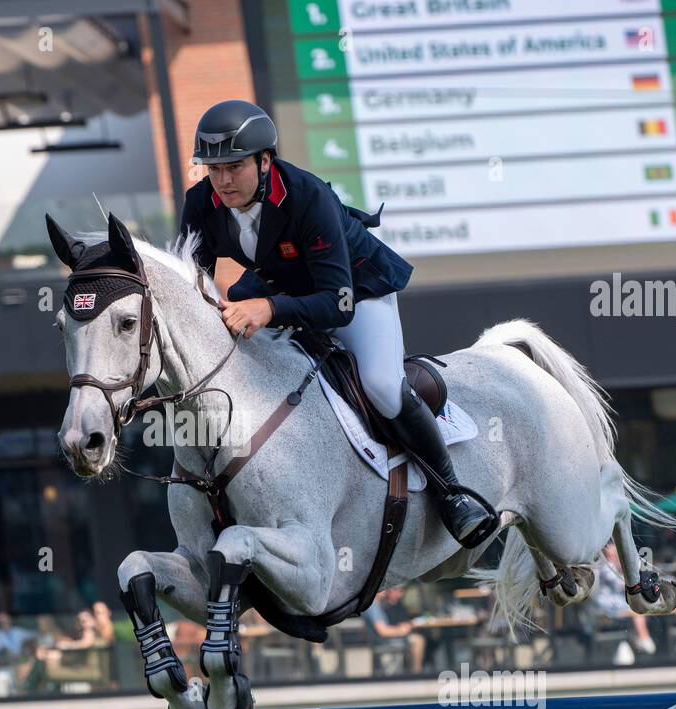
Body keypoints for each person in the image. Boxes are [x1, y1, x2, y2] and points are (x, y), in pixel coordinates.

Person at [179, 100, 496, 547]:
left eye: (234, 167)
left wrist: (268, 309)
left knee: (383, 385)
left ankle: (452, 492)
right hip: (279, 287)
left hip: (355, 292)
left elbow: (337, 304)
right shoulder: (201, 202)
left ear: (265, 160)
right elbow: (195, 280)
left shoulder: (308, 197)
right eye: (214, 170)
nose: (224, 181)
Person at [362, 586, 427, 672]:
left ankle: (414, 673)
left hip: (385, 641)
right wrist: (401, 630)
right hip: (384, 643)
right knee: (418, 640)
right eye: (380, 586)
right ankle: (417, 673)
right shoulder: (372, 607)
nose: (385, 588)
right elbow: (383, 631)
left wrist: (400, 628)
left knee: (418, 639)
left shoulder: (376, 605)